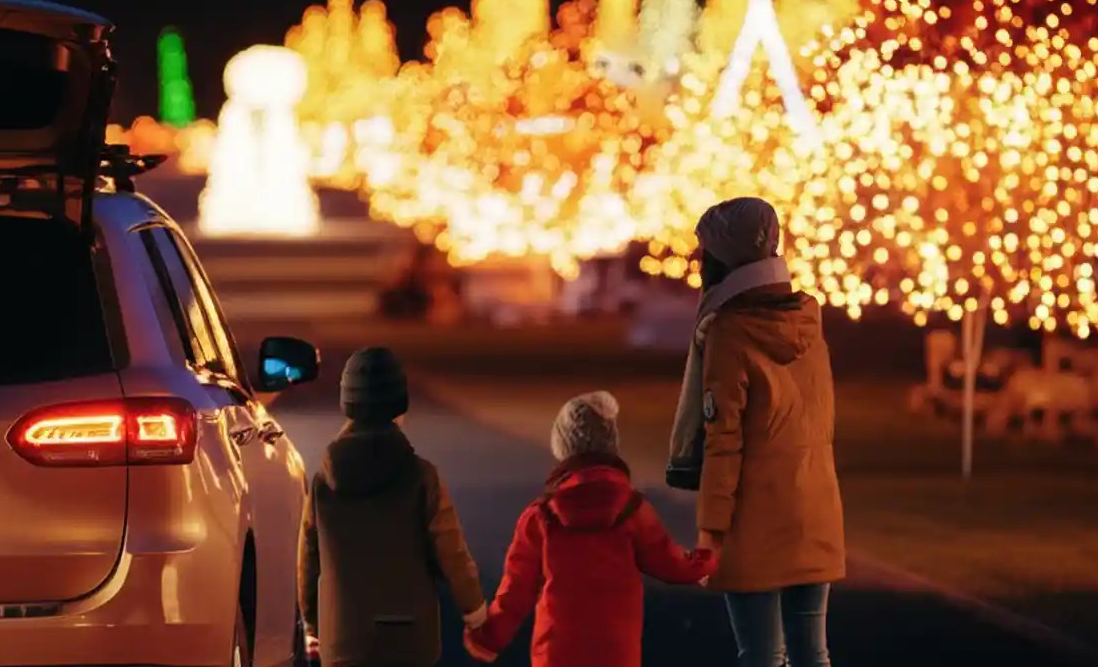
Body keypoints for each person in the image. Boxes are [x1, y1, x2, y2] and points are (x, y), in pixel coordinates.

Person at [673, 197, 846, 667]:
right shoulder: (808, 319)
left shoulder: (729, 333)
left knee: (761, 655)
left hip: (755, 519)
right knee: (813, 654)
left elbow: (724, 443)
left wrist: (710, 533)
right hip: (815, 507)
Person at [463, 391, 716, 667]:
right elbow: (672, 564)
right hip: (616, 656)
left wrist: (486, 639)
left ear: (563, 447)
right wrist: (708, 559)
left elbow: (515, 594)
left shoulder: (541, 516)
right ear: (611, 444)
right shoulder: (632, 510)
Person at [298, 346, 487, 667]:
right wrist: (475, 611)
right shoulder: (421, 476)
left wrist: (312, 625)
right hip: (409, 642)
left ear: (347, 405)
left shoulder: (323, 483)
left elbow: (308, 559)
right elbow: (451, 551)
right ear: (401, 407)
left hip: (344, 641)